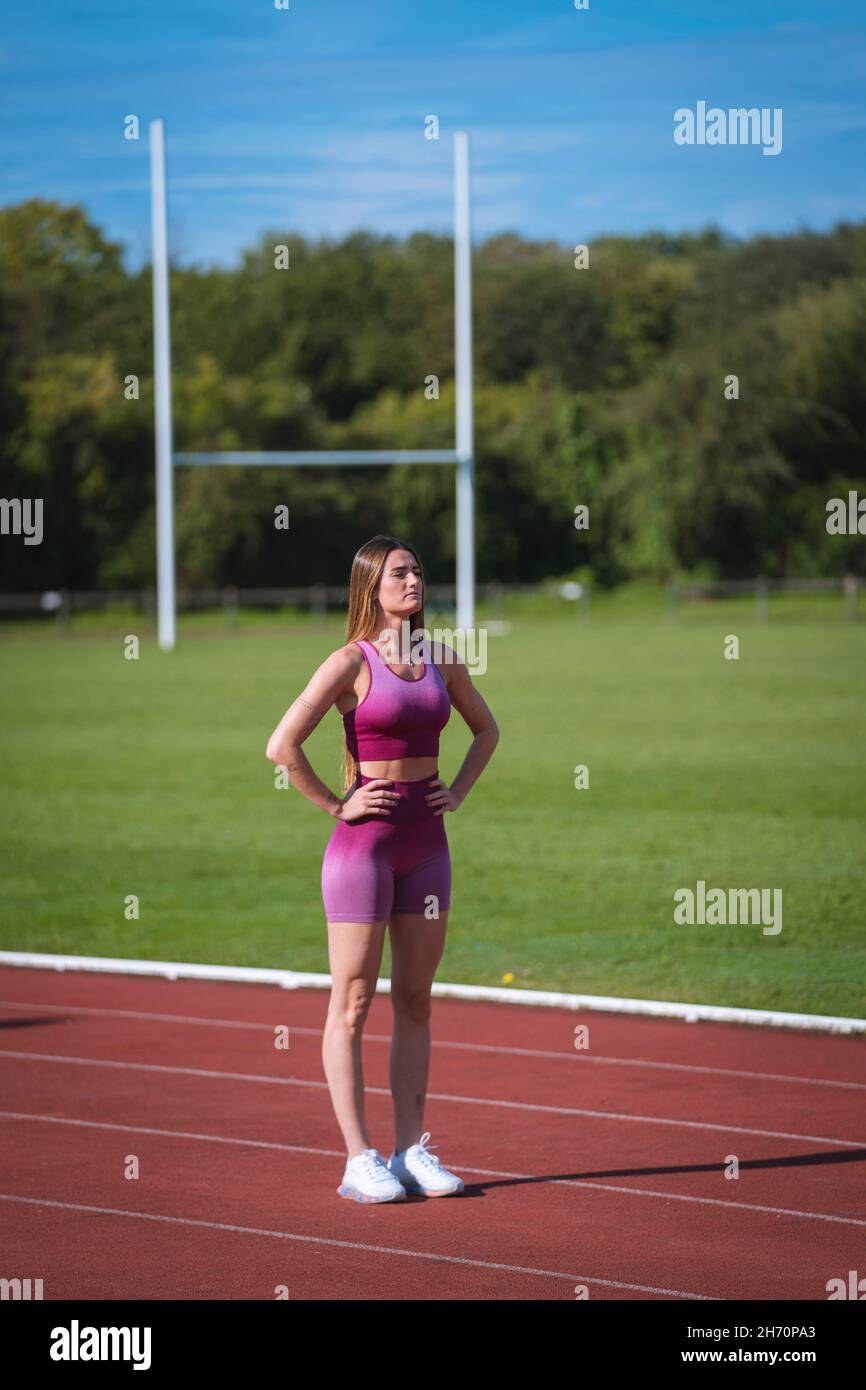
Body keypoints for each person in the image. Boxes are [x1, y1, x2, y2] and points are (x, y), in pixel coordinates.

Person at [266, 535, 499, 1202]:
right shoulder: (348, 662)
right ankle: (357, 1158)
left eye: (418, 571)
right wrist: (338, 804)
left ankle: (410, 1151)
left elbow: (488, 731)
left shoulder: (442, 662)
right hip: (363, 849)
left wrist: (457, 791)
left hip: (427, 846)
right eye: (401, 572)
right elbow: (281, 746)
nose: (414, 580)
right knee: (354, 1002)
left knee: (417, 1001)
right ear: (372, 585)